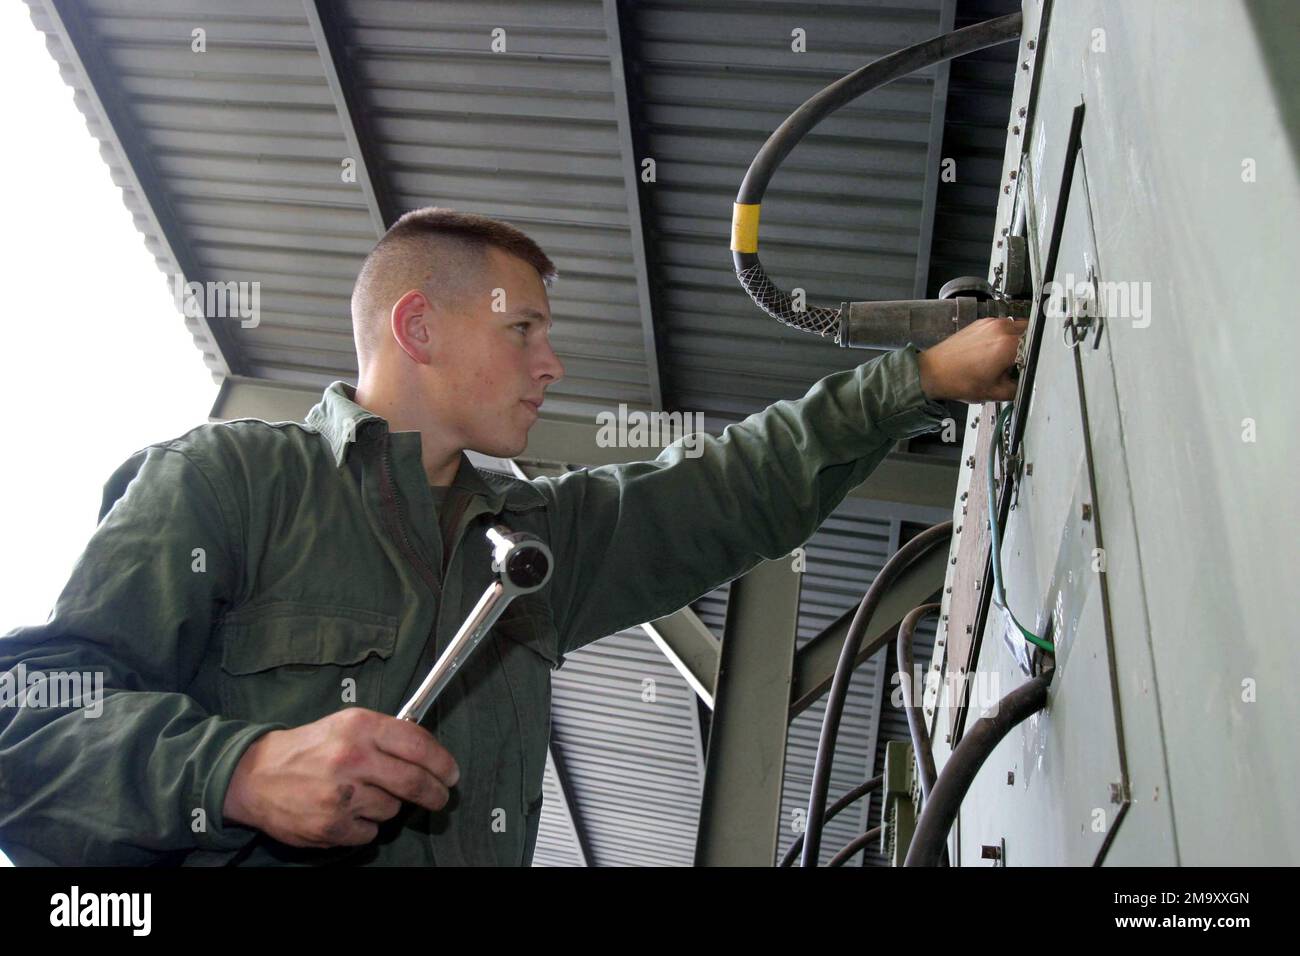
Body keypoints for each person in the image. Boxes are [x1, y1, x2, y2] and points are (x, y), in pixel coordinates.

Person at [0, 207, 1026, 866]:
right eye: (522, 329)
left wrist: (921, 380)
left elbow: (733, 485)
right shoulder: (232, 480)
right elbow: (23, 728)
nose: (553, 364)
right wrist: (235, 769)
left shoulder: (542, 535)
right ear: (419, 329)